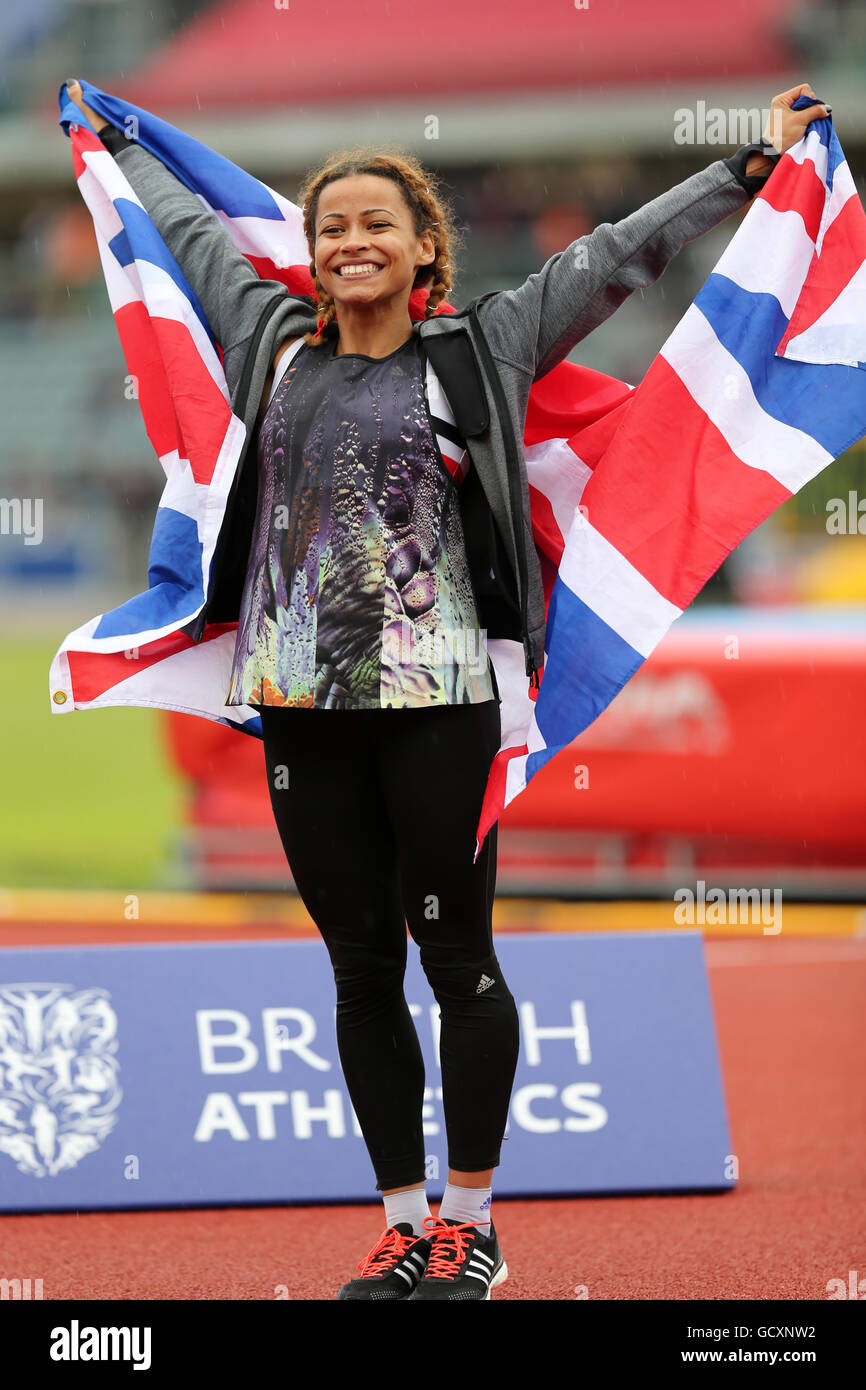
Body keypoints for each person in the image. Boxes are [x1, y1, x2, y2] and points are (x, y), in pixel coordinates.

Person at [65, 79, 829, 1301]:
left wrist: (747, 167)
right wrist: (113, 138)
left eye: (376, 222)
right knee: (358, 971)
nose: (348, 241)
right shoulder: (266, 337)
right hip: (301, 706)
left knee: (454, 956)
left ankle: (472, 1226)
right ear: (309, 254)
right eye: (328, 227)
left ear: (424, 245)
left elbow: (615, 256)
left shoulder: (484, 343)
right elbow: (192, 231)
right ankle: (399, 1222)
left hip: (441, 703)